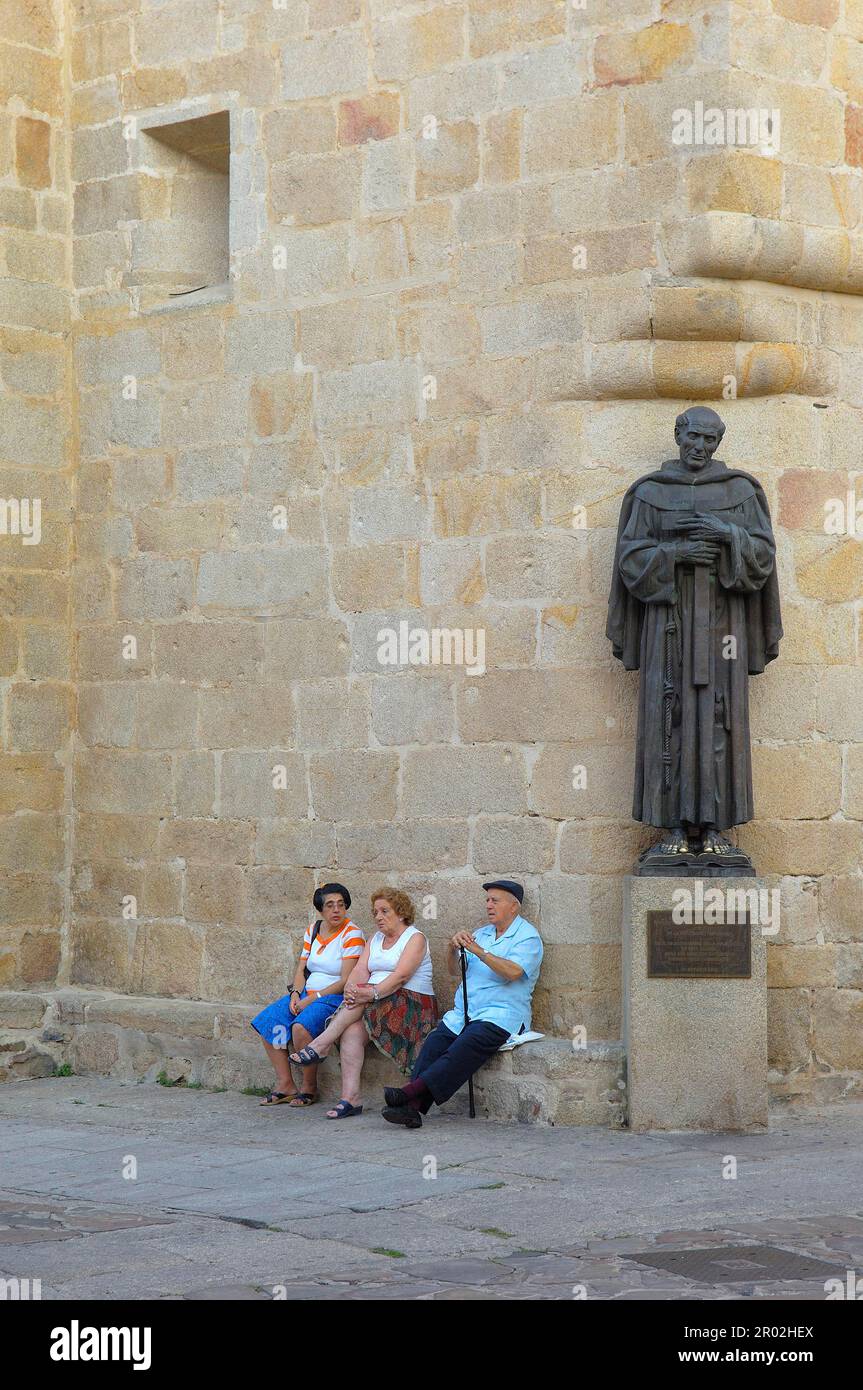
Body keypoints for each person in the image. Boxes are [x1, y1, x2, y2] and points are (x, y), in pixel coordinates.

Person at [381, 880, 543, 1128]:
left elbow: (512, 972)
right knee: (435, 1043)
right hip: (466, 1012)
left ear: (513, 906)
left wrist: (479, 951)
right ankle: (412, 1109)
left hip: (501, 1015)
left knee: (463, 1047)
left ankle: (408, 1093)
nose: (488, 905)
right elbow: (453, 970)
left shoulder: (527, 937)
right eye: (487, 900)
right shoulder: (481, 933)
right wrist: (451, 948)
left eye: (495, 901)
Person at [290, 887, 438, 1119]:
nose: (378, 917)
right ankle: (351, 1098)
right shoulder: (376, 938)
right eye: (375, 912)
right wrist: (352, 988)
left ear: (400, 913)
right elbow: (360, 969)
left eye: (384, 911)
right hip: (375, 1001)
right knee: (351, 1031)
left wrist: (369, 993)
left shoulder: (415, 938)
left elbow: (400, 977)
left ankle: (321, 1044)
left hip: (411, 1002)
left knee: (361, 1000)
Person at [250, 882, 363, 1106]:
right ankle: (286, 1084)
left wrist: (313, 998)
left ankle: (309, 1087)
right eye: (330, 905)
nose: (336, 910)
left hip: (333, 998)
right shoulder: (313, 930)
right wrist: (296, 994)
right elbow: (302, 969)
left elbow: (345, 981)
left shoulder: (353, 934)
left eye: (341, 905)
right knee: (271, 1022)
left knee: (301, 1027)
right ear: (320, 909)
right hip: (306, 994)